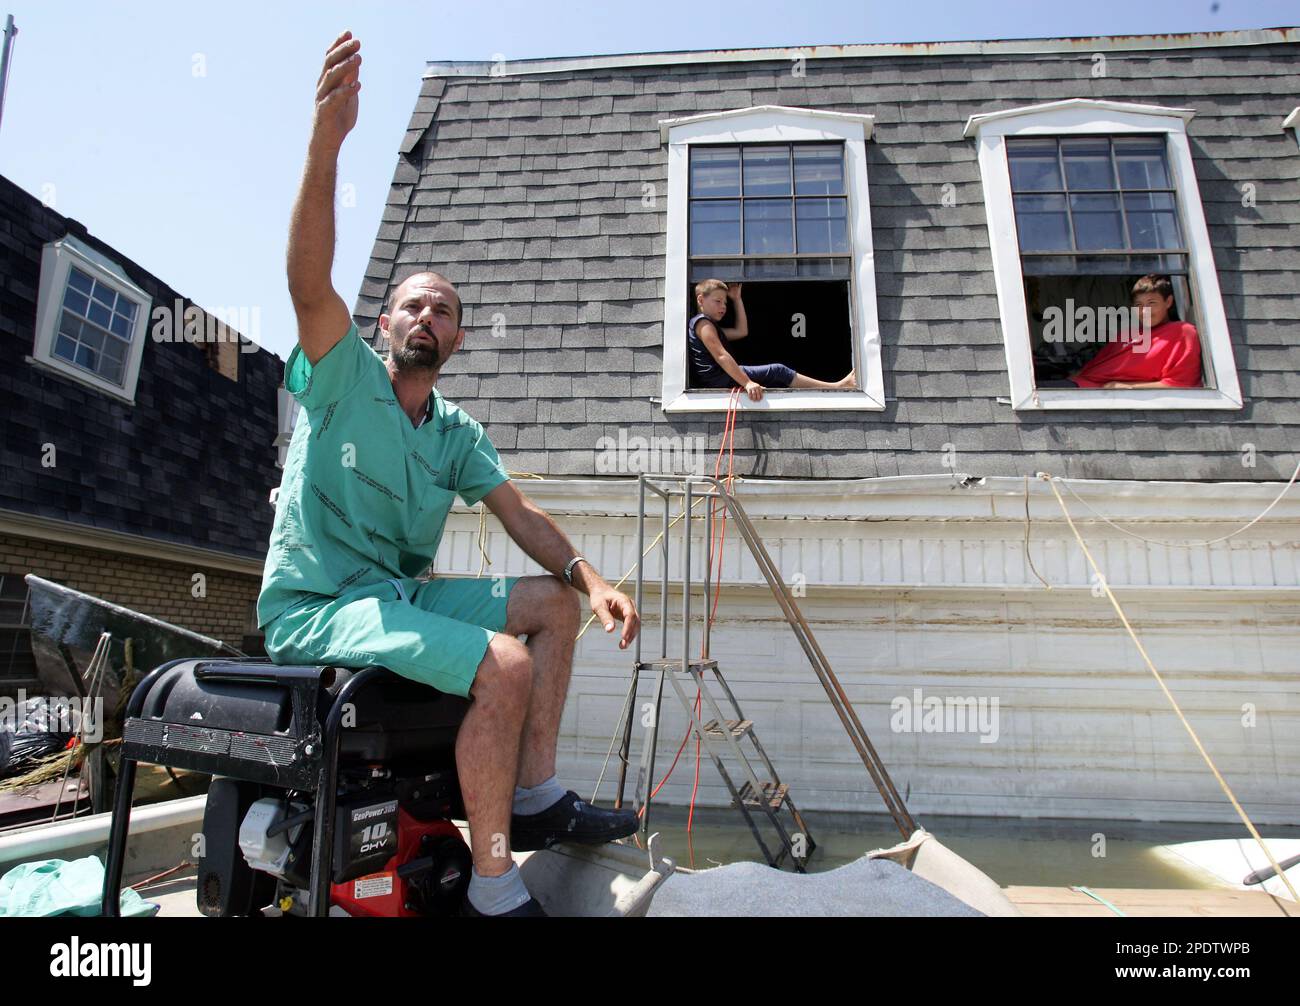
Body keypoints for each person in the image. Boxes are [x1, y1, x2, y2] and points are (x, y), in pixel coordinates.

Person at [256, 31, 641, 917]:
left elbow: (519, 513)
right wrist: (328, 142)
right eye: (414, 302)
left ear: (458, 338)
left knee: (550, 603)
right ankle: (494, 886)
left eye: (446, 308)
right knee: (503, 665)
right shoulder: (345, 376)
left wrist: (591, 578)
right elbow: (307, 282)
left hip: (397, 597)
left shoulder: (455, 431)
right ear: (386, 323)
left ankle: (536, 796)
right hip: (319, 608)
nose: (428, 314)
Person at [688, 280, 856, 401]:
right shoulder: (703, 323)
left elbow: (741, 331)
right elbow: (721, 356)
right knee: (778, 371)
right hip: (717, 377)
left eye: (725, 302)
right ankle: (836, 387)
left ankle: (836, 387)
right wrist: (747, 383)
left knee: (778, 372)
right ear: (701, 300)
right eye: (718, 301)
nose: (723, 306)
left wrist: (737, 299)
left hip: (718, 376)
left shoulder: (710, 327)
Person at [1037, 275, 1203, 389]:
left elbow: (1181, 385)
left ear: (1168, 302)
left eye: (1151, 303)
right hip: (1079, 385)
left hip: (1097, 393)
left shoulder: (1181, 332)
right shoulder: (1128, 334)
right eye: (1138, 305)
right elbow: (1092, 368)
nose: (1144, 310)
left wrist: (1129, 387)